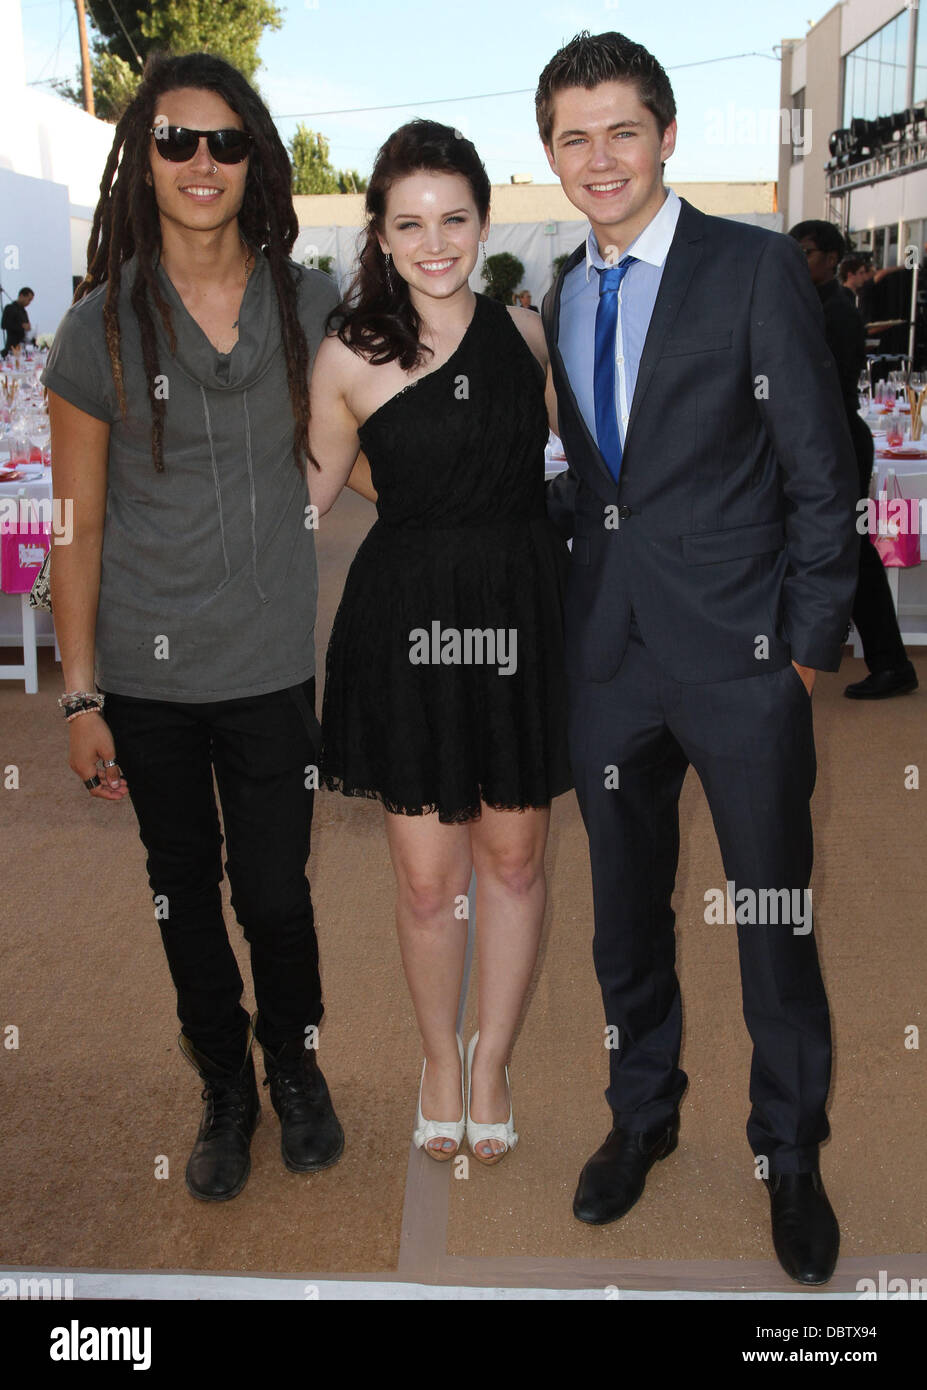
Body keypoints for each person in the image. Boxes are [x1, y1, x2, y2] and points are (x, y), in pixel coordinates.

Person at [538, 31, 859, 1284]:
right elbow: (599, 480)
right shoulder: (567, 289)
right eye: (573, 136)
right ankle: (643, 1114)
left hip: (745, 661)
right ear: (553, 156)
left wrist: (803, 659)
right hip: (612, 662)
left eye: (622, 129)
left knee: (772, 918)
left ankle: (790, 1149)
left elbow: (824, 482)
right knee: (626, 917)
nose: (599, 157)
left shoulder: (754, 267)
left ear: (668, 135)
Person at [42, 52, 344, 1203]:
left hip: (269, 668)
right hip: (149, 678)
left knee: (276, 894)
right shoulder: (99, 327)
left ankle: (296, 1067)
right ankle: (225, 1086)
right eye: (177, 141)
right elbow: (75, 523)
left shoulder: (310, 304)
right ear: (144, 160)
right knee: (184, 891)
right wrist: (79, 695)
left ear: (253, 158)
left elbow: (364, 444)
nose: (202, 162)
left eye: (225, 142)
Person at [308, 119, 571, 1165]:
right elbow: (307, 499)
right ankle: (437, 1056)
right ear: (378, 231)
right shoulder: (348, 353)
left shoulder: (529, 332)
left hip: (517, 614)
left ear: (482, 221)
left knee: (512, 858)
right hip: (407, 627)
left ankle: (492, 1056)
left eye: (453, 218)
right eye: (409, 221)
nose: (433, 241)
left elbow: (590, 465)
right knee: (426, 877)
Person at [791, 220, 917, 700]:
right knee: (850, 553)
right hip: (829, 443)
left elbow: (817, 390)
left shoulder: (834, 312)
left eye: (806, 252)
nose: (799, 261)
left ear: (830, 258)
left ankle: (890, 662)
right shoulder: (816, 305)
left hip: (836, 444)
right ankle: (886, 660)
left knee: (854, 555)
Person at [1, 287, 33, 355]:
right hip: (11, 347)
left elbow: (26, 326)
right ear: (21, 296)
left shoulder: (24, 311)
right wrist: (21, 326)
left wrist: (28, 327)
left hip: (23, 347)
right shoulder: (9, 308)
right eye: (29, 300)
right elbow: (4, 324)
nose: (29, 303)